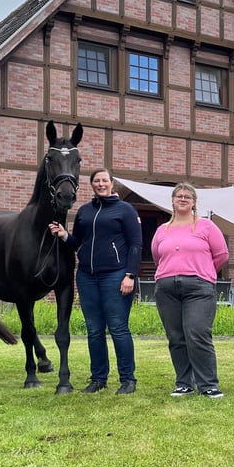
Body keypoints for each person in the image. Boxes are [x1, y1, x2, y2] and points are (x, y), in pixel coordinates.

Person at [48, 168, 141, 394]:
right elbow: (78, 241)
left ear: (112, 184)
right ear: (91, 185)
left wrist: (130, 275)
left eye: (104, 180)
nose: (101, 184)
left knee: (118, 328)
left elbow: (136, 244)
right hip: (87, 276)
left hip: (116, 275)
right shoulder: (84, 211)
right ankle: (98, 378)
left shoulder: (125, 210)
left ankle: (128, 380)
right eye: (96, 181)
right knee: (94, 329)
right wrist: (64, 235)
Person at [151, 183, 230, 398]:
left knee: (197, 333)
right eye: (179, 196)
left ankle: (208, 384)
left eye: (188, 196)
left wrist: (203, 271)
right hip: (167, 288)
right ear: (173, 200)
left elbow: (222, 255)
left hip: (199, 288)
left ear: (194, 202)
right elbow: (157, 257)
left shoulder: (206, 226)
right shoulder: (162, 230)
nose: (183, 199)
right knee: (176, 336)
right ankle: (184, 383)